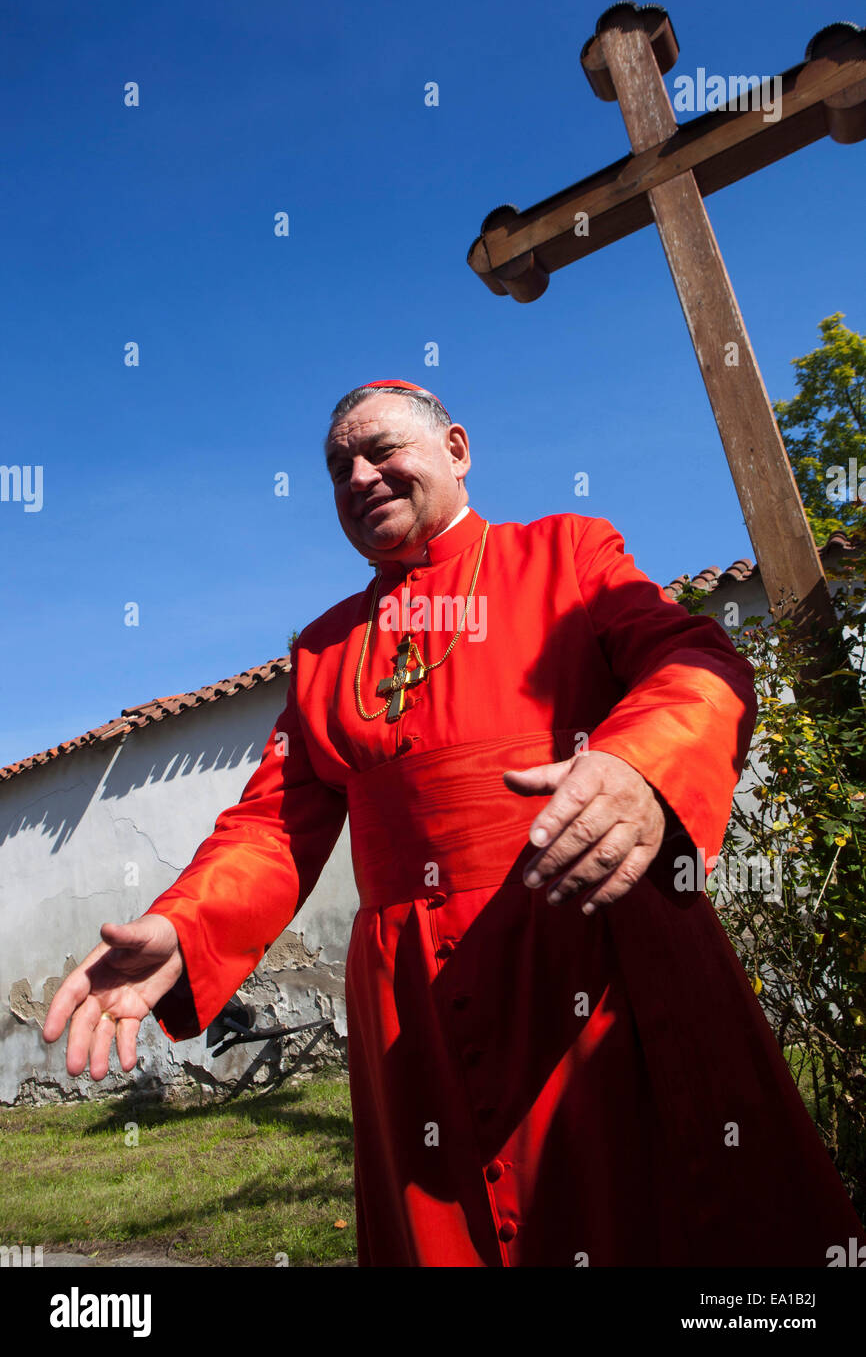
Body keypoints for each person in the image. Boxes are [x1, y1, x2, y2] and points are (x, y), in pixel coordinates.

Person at [44, 380, 865, 1267]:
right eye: (337, 467)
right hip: (411, 1010)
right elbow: (274, 825)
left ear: (457, 451)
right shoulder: (324, 651)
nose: (359, 476)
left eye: (380, 451)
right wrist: (183, 924)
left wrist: (638, 765)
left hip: (589, 954)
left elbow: (697, 662)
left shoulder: (565, 554)